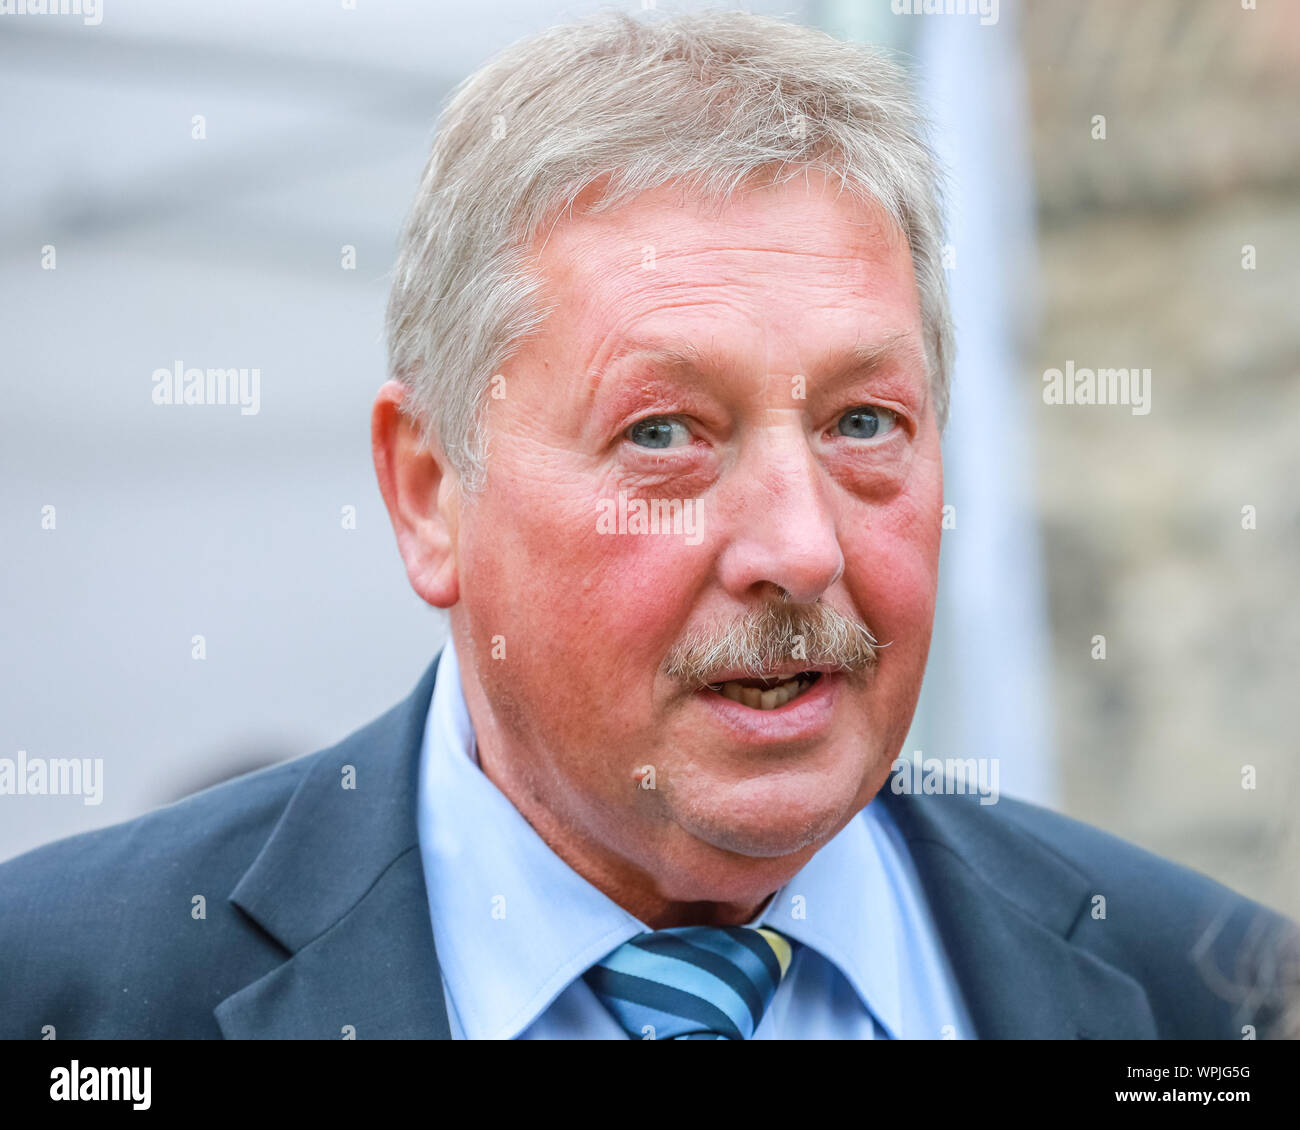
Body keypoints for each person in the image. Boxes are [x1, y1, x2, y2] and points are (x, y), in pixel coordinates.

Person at [0, 9, 1293, 1040]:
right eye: (665, 433)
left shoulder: (1212, 993)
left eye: (863, 423)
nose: (799, 547)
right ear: (430, 490)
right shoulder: (66, 991)